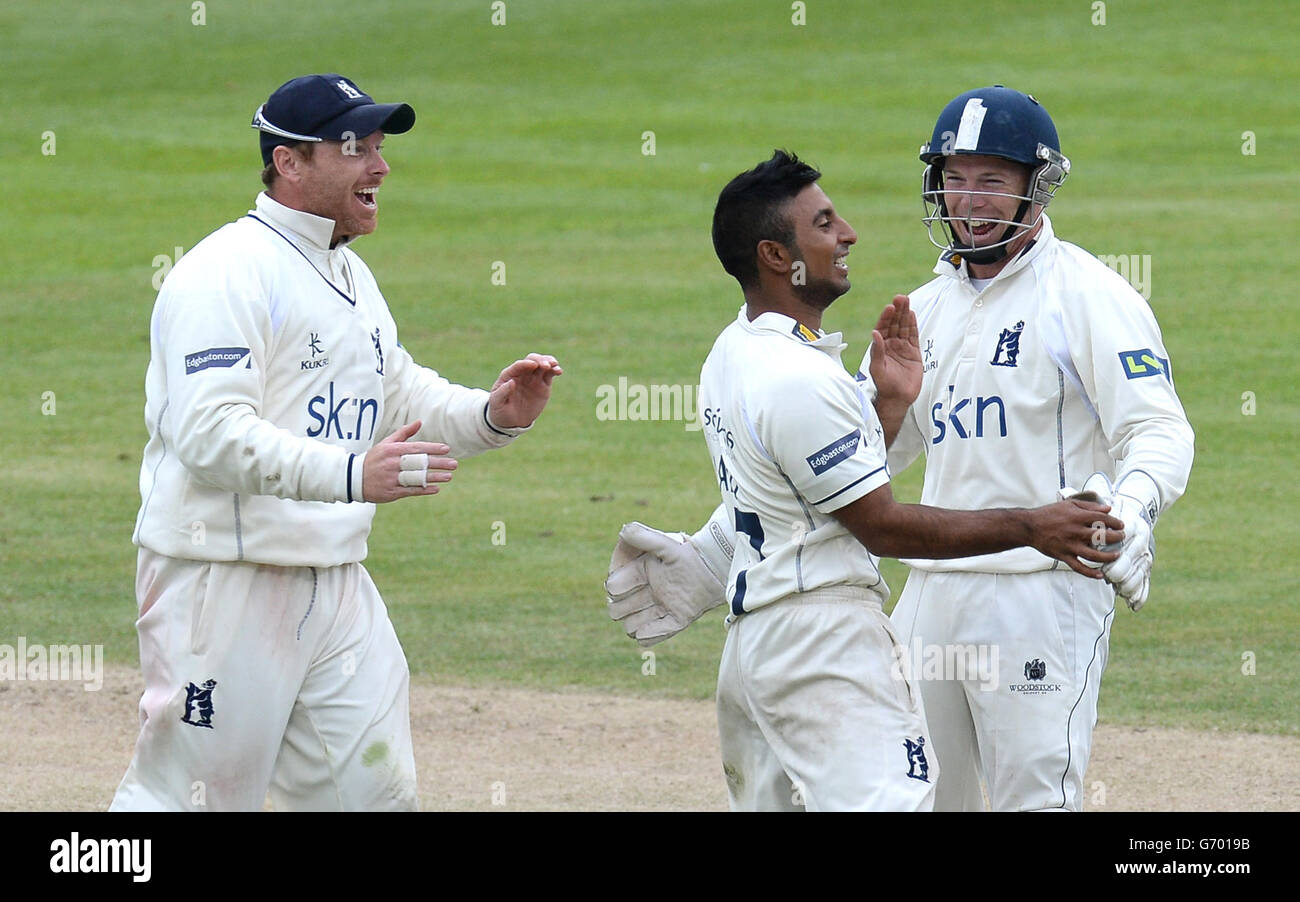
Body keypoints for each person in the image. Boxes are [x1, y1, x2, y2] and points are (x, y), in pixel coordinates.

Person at [607, 91, 1194, 812]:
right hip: (933, 589)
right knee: (921, 798)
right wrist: (716, 551)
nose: (969, 199)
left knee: (1034, 799)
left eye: (991, 180)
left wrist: (1132, 513)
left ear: (1036, 187)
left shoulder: (1091, 297)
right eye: (955, 178)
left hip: (1041, 589)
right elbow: (841, 464)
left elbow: (1160, 430)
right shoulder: (926, 308)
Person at [111, 74, 561, 811]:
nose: (380, 168)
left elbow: (398, 395)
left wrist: (494, 413)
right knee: (191, 797)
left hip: (337, 579)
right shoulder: (222, 275)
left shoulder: (347, 272)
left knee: (373, 794)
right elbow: (210, 435)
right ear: (289, 162)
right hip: (224, 577)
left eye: (380, 149)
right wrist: (353, 474)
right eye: (357, 149)